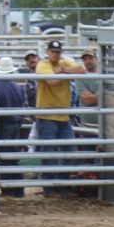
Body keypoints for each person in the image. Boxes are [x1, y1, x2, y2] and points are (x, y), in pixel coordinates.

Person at [32, 39, 84, 190]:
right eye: (53, 52)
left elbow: (81, 70)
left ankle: (61, 184)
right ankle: (49, 187)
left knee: (70, 152)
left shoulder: (64, 63)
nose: (55, 54)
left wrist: (63, 72)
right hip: (47, 115)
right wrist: (65, 72)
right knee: (49, 153)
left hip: (63, 115)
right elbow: (51, 81)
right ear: (48, 52)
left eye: (57, 52)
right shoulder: (43, 64)